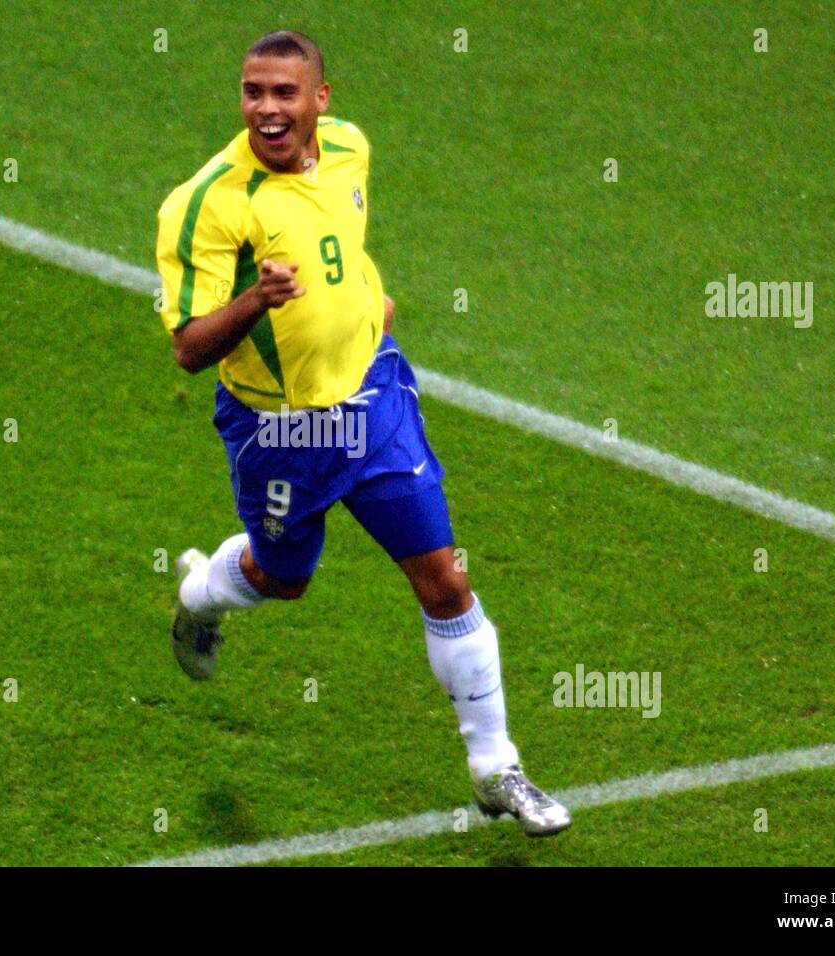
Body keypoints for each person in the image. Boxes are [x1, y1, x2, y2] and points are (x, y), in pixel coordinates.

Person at [153, 30, 570, 837]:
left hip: (372, 405)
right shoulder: (205, 204)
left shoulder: (348, 148)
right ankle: (201, 595)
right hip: (277, 434)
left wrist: (360, 310)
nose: (266, 109)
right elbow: (189, 350)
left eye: (284, 92)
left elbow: (337, 242)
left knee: (444, 580)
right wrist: (258, 301)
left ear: (320, 99)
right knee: (284, 578)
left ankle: (496, 768)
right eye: (252, 92)